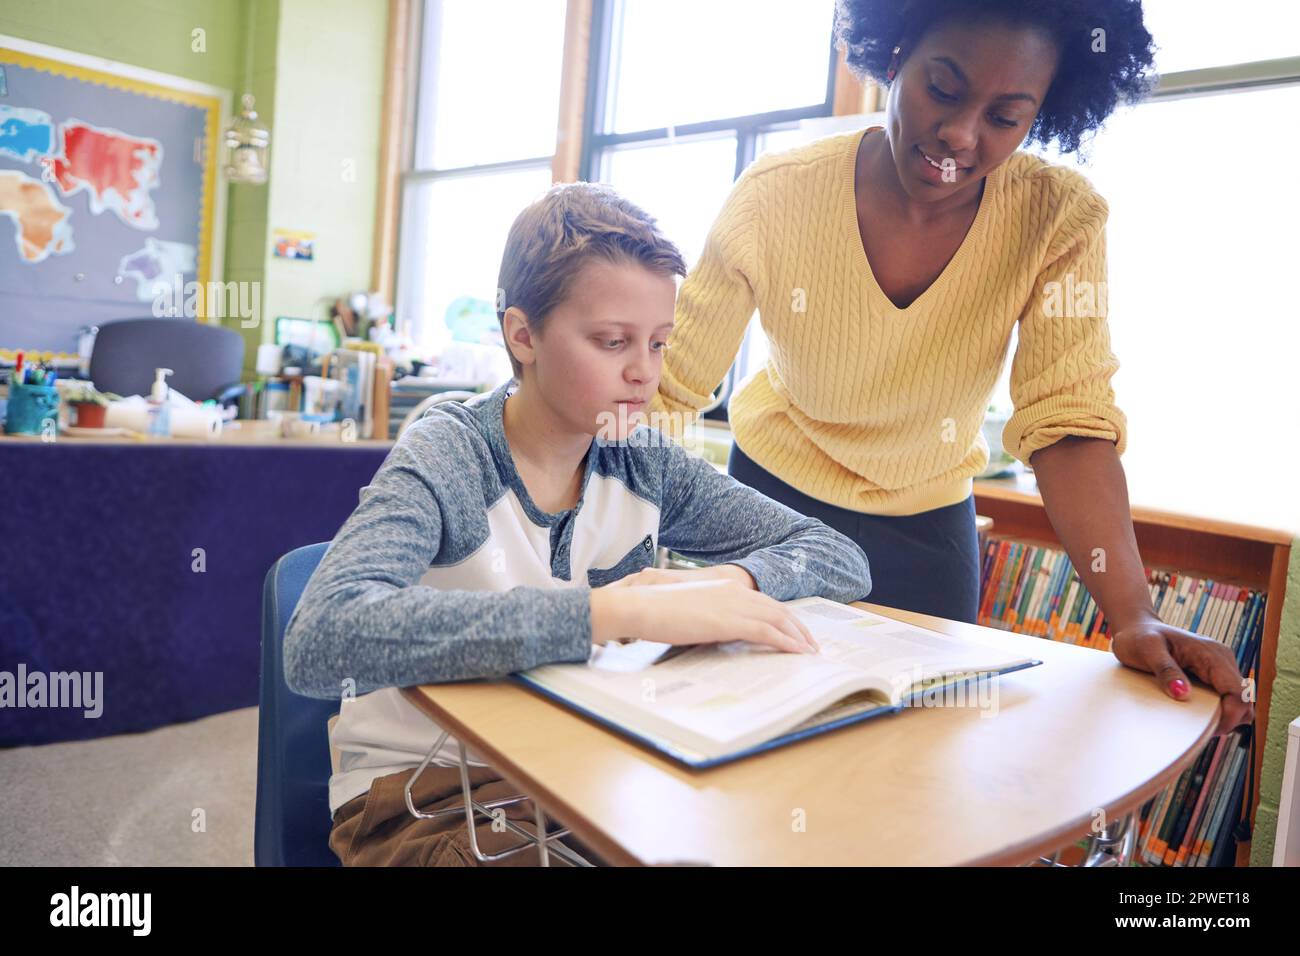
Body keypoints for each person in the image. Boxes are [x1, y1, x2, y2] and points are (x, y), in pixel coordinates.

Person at [649, 0, 1252, 736]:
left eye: (1006, 115)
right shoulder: (775, 196)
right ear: (896, 53)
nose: (961, 135)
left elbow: (1067, 422)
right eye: (944, 87)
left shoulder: (1058, 219)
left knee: (910, 778)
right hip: (771, 514)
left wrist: (1133, 615)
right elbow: (668, 387)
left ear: (1046, 111)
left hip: (925, 535)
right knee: (750, 750)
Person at [283, 181, 872, 866]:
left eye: (658, 343)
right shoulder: (449, 452)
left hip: (591, 771)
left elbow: (836, 555)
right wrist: (606, 614)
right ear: (522, 334)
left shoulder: (642, 459)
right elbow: (321, 641)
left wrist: (723, 582)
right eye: (612, 341)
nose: (643, 375)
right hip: (430, 797)